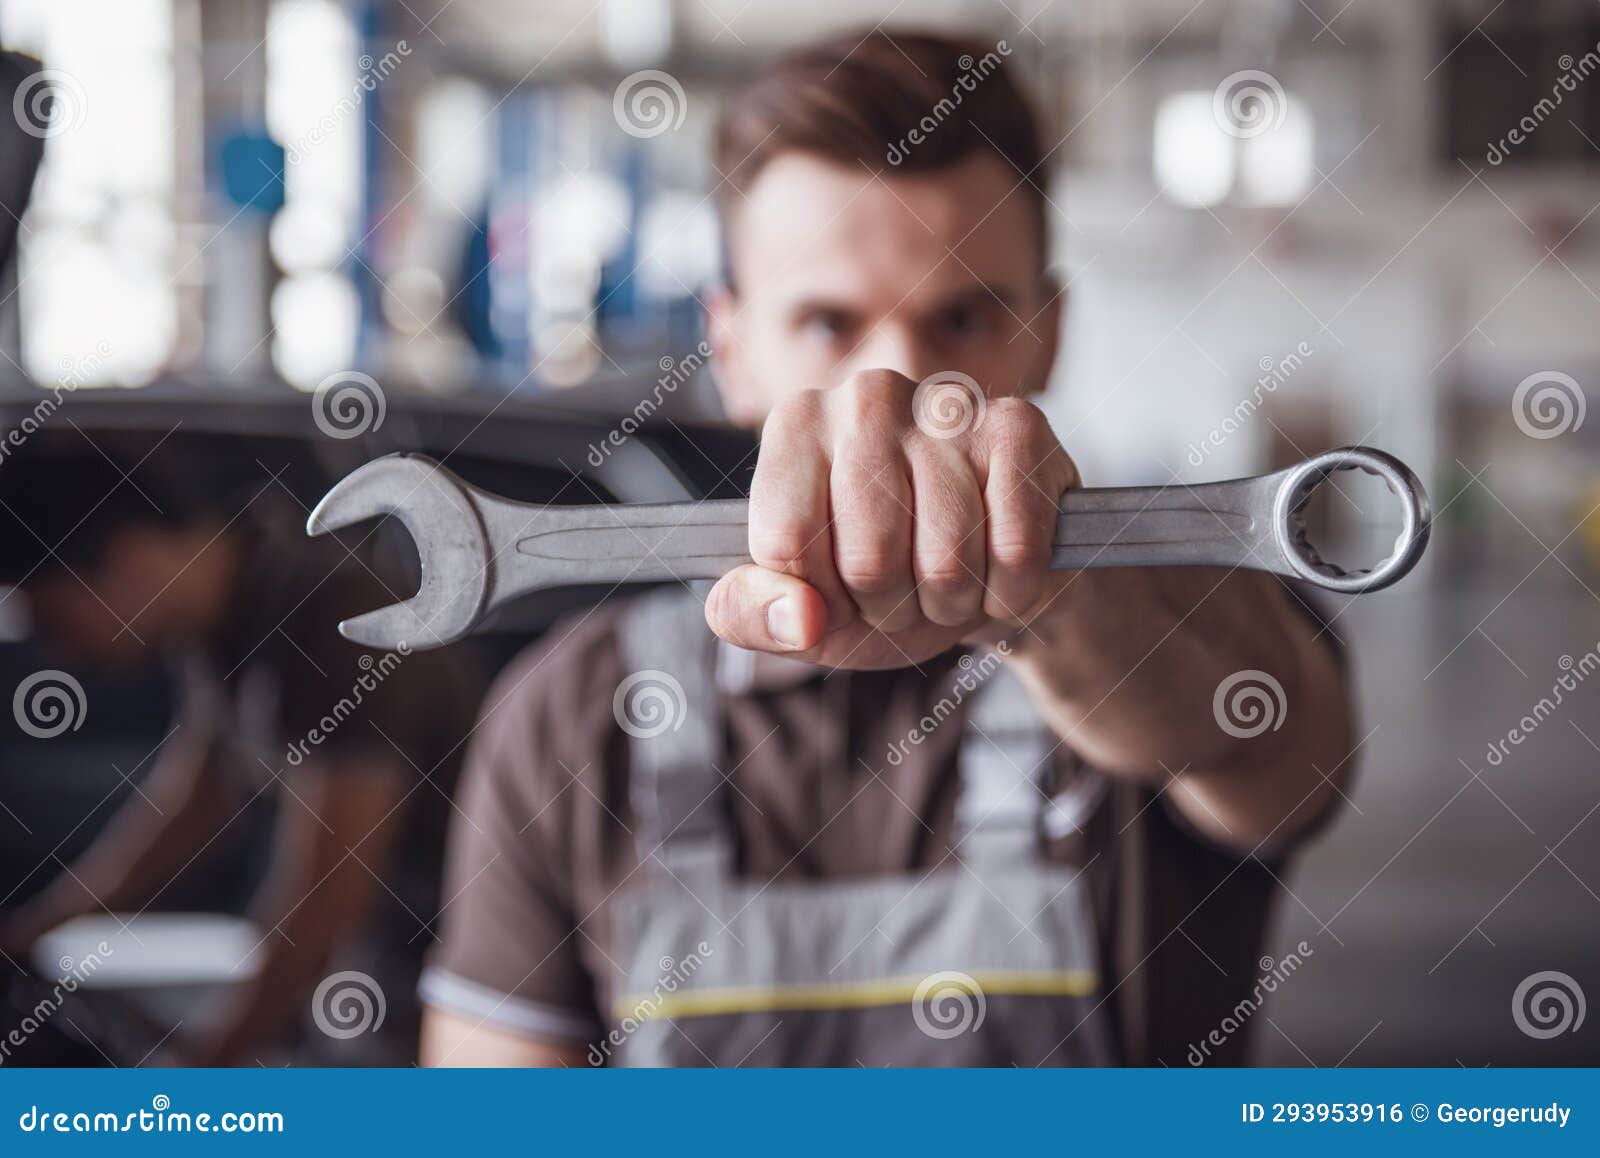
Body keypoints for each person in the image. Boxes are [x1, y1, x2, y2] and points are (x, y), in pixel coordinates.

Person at [418, 29, 1353, 1067]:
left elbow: (1279, 757)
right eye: (829, 325)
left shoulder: (1200, 624)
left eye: (965, 319)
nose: (897, 390)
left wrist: (1050, 603)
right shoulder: (565, 722)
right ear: (730, 351)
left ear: (1047, 331)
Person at [0, 443, 481, 1064]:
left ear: (126, 557)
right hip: (386, 954)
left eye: (52, 620)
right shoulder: (226, 611)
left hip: (454, 962)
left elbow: (328, 897)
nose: (57, 652)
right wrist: (32, 931)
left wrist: (206, 1077)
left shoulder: (333, 619)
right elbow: (194, 809)